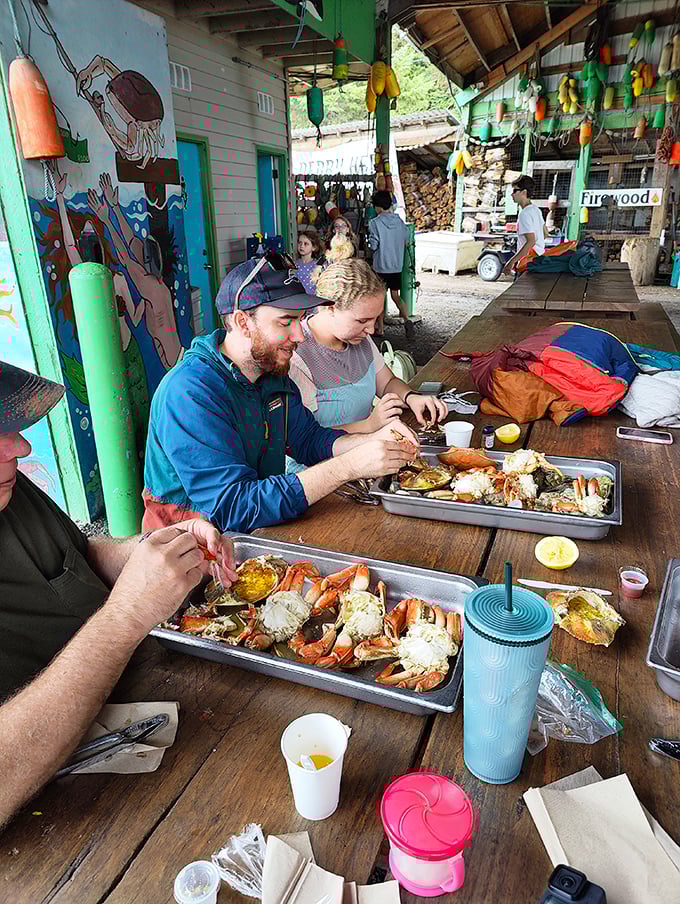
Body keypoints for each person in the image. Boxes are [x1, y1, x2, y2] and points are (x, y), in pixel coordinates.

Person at [0, 360, 237, 827]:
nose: (22, 446)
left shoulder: (9, 486)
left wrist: (155, 552)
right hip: (71, 823)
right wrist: (125, 615)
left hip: (146, 696)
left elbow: (72, 556)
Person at [142, 253, 419, 534]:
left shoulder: (271, 374)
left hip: (260, 530)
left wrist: (374, 441)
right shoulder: (190, 392)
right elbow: (233, 507)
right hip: (188, 553)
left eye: (299, 320)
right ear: (242, 322)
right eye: (285, 321)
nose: (299, 335)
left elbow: (310, 440)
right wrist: (348, 467)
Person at [287, 260, 447, 473]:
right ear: (329, 307)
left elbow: (387, 382)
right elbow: (307, 439)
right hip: (317, 472)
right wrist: (369, 426)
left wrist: (411, 397)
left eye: (375, 318)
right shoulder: (297, 357)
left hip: (366, 458)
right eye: (362, 320)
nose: (371, 329)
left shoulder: (359, 339)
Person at [367, 190, 414, 338]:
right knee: (395, 295)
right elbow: (406, 241)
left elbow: (374, 245)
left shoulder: (375, 223)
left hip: (380, 266)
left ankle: (380, 329)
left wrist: (368, 243)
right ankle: (407, 320)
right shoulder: (399, 221)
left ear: (378, 207)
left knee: (380, 297)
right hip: (396, 265)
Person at [503, 175, 551, 277]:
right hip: (538, 260)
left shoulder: (524, 214)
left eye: (515, 191)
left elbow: (531, 241)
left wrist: (511, 262)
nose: (512, 194)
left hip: (528, 263)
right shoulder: (536, 209)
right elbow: (545, 234)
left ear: (524, 192)